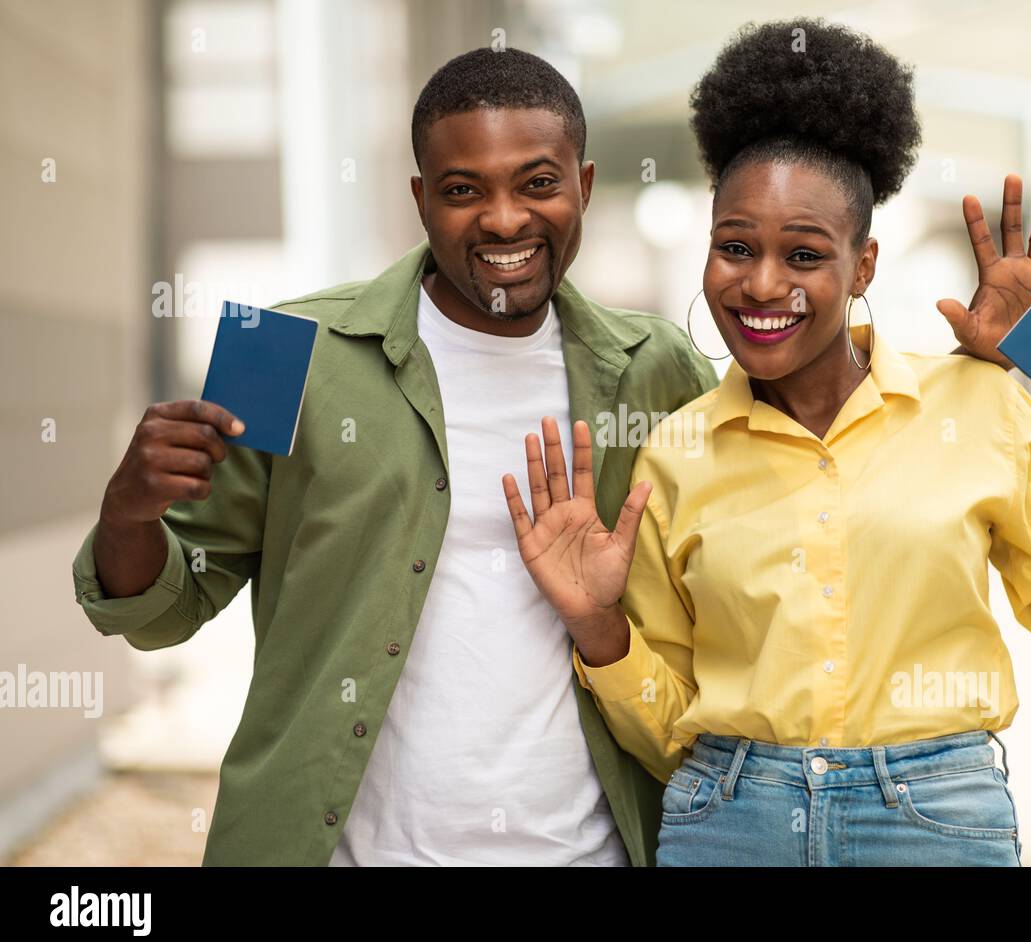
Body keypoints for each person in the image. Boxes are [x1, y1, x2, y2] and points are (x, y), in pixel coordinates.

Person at [503, 19, 1031, 866]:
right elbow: (673, 735)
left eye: (804, 254)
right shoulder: (676, 451)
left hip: (931, 825)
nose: (762, 283)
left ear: (865, 265)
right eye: (734, 247)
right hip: (731, 824)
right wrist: (599, 630)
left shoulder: (978, 406)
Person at [71, 48, 720, 866]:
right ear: (420, 198)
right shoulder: (272, 349)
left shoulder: (661, 369)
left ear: (583, 185)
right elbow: (162, 612)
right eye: (462, 190)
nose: (505, 220)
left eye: (538, 183)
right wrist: (125, 516)